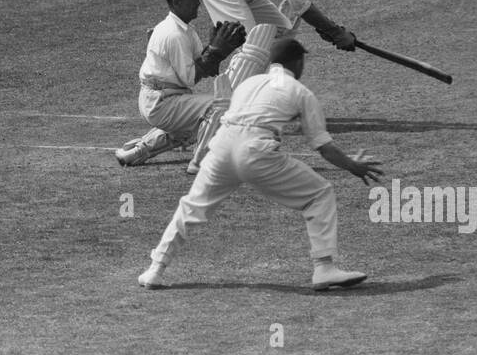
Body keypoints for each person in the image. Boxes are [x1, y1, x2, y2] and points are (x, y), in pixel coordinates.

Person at [138, 37, 383, 291]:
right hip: (256, 151)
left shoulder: (248, 83)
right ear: (297, 62)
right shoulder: (300, 91)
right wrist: (353, 166)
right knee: (320, 194)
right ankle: (324, 268)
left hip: (220, 147)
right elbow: (324, 147)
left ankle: (155, 269)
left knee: (191, 207)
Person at [185, 0, 358, 175]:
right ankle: (224, 113)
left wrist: (329, 31)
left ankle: (262, 100)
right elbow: (299, 3)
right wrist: (335, 32)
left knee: (282, 32)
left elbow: (299, 3)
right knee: (254, 47)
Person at [114, 0, 245, 167]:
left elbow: (203, 67)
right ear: (176, 3)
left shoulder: (184, 30)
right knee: (219, 108)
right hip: (161, 102)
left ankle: (136, 152)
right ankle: (201, 161)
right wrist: (215, 52)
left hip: (161, 97)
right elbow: (190, 78)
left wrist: (216, 51)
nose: (198, 3)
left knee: (194, 125)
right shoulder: (174, 34)